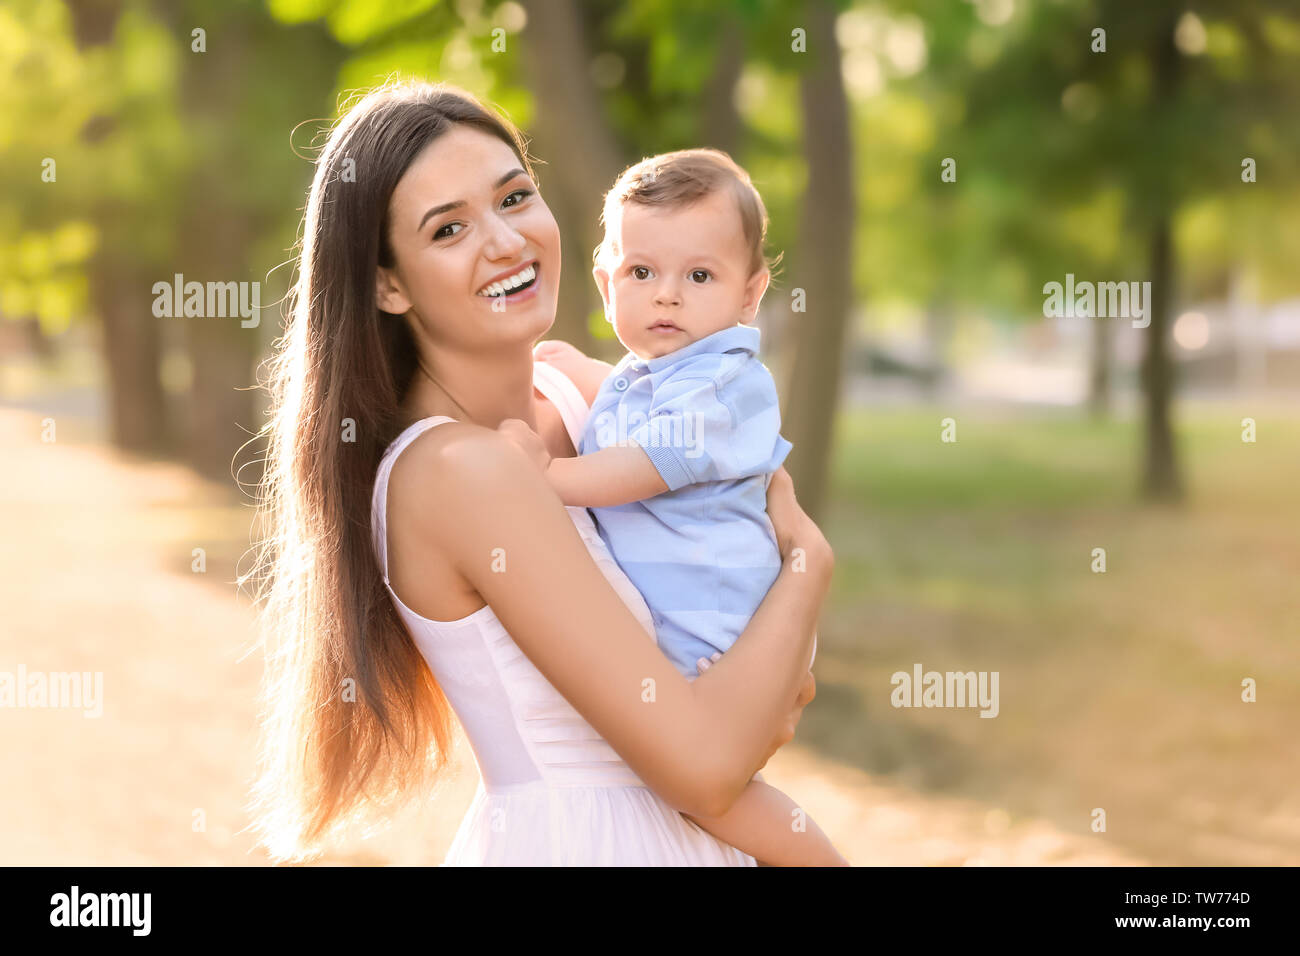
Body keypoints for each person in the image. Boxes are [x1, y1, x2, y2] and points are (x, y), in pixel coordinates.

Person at [247, 80, 834, 866]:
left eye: (514, 196)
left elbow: (765, 691)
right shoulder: (461, 472)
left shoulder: (577, 390)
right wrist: (808, 570)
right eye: (449, 228)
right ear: (387, 283)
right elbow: (708, 763)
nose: (504, 241)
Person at [499, 149, 842, 865]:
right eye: (642, 273)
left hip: (722, 625)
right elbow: (637, 406)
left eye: (700, 276)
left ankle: (814, 859)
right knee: (686, 789)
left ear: (750, 296)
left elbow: (648, 465)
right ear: (607, 283)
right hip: (694, 616)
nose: (667, 296)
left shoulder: (727, 382)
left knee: (699, 783)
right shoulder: (653, 375)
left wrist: (552, 477)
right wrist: (586, 371)